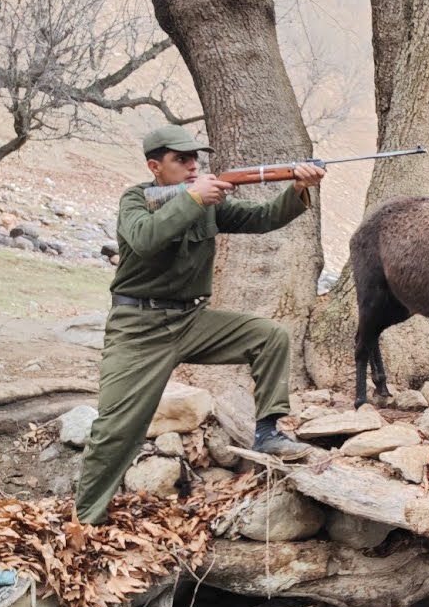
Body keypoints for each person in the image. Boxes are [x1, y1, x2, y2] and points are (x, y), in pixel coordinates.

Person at [74, 124, 326, 525]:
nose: (193, 166)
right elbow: (144, 238)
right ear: (155, 166)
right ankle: (85, 521)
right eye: (182, 159)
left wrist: (297, 188)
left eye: (196, 158)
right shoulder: (137, 199)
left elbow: (261, 218)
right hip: (139, 326)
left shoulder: (207, 202)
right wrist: (191, 199)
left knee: (269, 335)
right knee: (116, 429)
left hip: (191, 319)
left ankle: (267, 432)